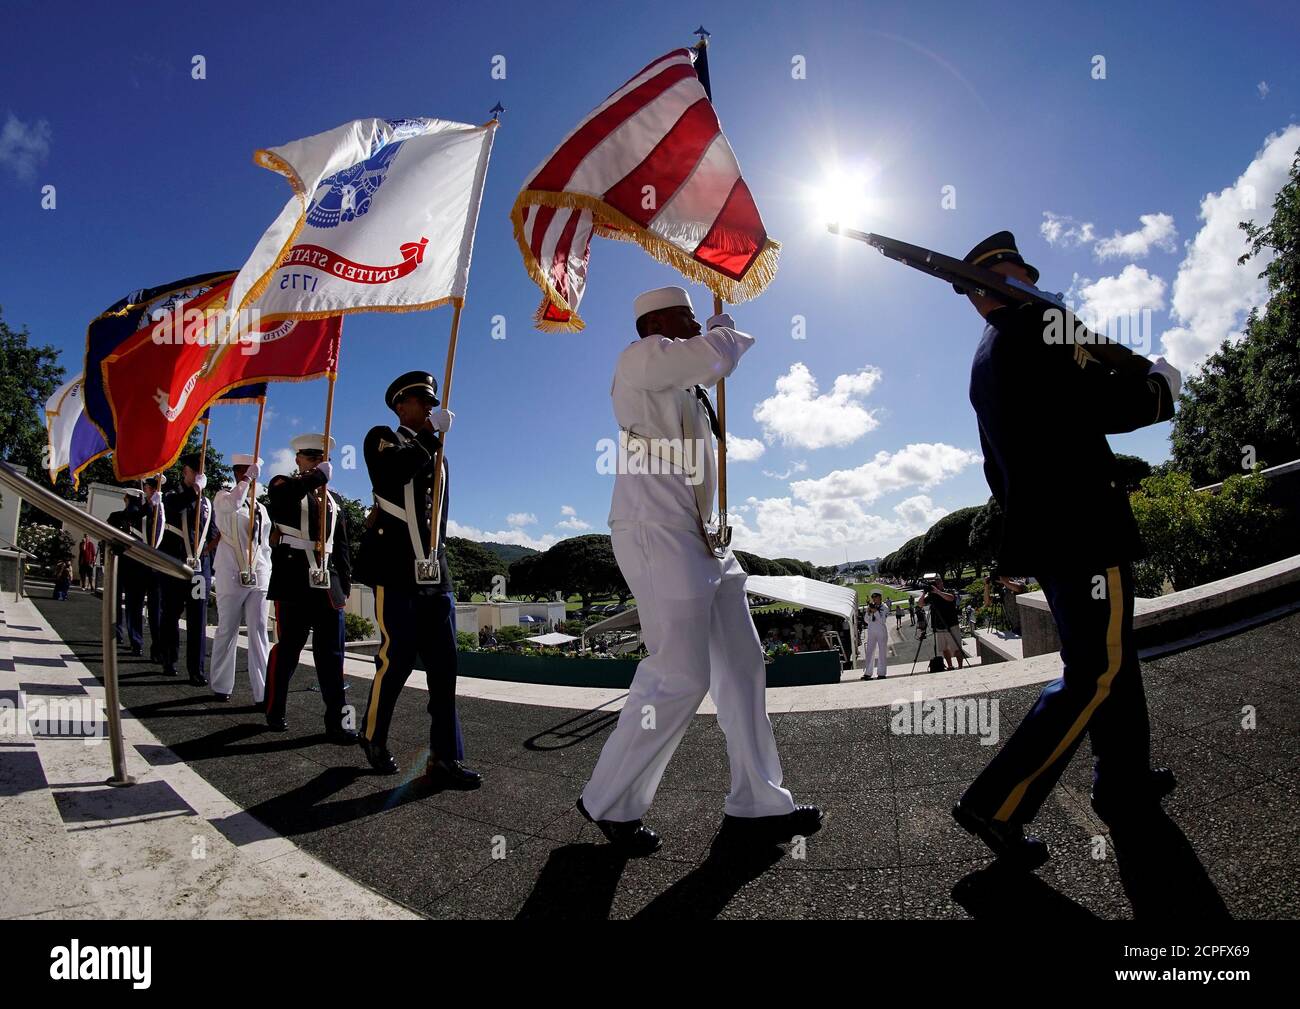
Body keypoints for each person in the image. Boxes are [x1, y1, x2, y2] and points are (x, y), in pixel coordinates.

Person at [950, 231, 1181, 868]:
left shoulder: (990, 353)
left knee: (1112, 656)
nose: (1029, 279)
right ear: (990, 290)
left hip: (1052, 532)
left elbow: (997, 467)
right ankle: (994, 803)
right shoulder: (1035, 329)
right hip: (1081, 528)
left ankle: (1122, 776)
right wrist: (1159, 388)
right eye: (1016, 272)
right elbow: (1099, 405)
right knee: (1095, 672)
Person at [577, 285, 821, 856]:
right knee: (678, 674)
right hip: (656, 533)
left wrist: (714, 343)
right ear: (657, 322)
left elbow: (708, 371)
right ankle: (608, 800)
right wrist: (724, 331)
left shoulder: (684, 383)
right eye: (685, 315)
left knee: (741, 667)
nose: (694, 323)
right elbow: (714, 357)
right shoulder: (639, 359)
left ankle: (759, 802)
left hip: (705, 537)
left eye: (695, 316)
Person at [355, 371, 480, 789]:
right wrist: (430, 439)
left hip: (433, 574)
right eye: (421, 401)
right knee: (396, 661)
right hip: (394, 568)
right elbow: (392, 475)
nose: (430, 407)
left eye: (432, 401)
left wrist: (437, 562)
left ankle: (445, 758)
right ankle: (372, 734)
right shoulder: (382, 438)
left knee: (445, 670)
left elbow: (438, 519)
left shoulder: (437, 454)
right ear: (399, 405)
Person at [263, 434, 359, 744]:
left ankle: (337, 721)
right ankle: (274, 708)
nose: (316, 460)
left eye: (320, 457)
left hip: (327, 585)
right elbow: (279, 501)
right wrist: (316, 477)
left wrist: (343, 584)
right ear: (298, 460)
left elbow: (341, 547)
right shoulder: (283, 484)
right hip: (293, 581)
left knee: (332, 655)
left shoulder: (334, 500)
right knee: (289, 650)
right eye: (309, 456)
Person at [209, 454, 271, 704]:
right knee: (227, 629)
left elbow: (264, 545)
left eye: (254, 473)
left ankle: (263, 693)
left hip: (258, 573)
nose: (254, 477)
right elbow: (233, 504)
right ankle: (222, 685)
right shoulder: (223, 497)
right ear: (238, 473)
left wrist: (267, 570)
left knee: (258, 632)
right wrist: (246, 480)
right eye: (247, 472)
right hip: (231, 572)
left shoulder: (261, 508)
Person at [159, 453, 213, 685]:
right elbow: (174, 508)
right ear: (185, 472)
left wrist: (208, 564)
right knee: (171, 615)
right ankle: (169, 660)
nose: (200, 476)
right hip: (175, 564)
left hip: (199, 570)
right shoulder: (172, 496)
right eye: (195, 471)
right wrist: (194, 491)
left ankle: (196, 670)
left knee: (197, 618)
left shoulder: (207, 504)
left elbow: (212, 535)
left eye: (203, 472)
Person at [920, 575, 964, 670]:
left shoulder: (948, 591)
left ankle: (960, 666)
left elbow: (951, 598)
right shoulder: (932, 596)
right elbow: (920, 604)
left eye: (939, 583)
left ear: (942, 583)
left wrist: (938, 592)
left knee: (956, 648)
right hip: (939, 626)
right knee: (944, 648)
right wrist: (924, 593)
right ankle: (950, 666)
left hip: (951, 624)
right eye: (936, 584)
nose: (938, 584)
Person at [860, 590, 889, 680]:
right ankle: (868, 673)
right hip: (871, 630)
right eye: (873, 597)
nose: (874, 599)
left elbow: (882, 620)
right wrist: (869, 612)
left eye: (876, 597)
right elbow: (866, 620)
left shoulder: (884, 607)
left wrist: (875, 611)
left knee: (882, 652)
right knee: (869, 652)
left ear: (880, 597)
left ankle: (881, 673)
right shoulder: (871, 606)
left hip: (881, 630)